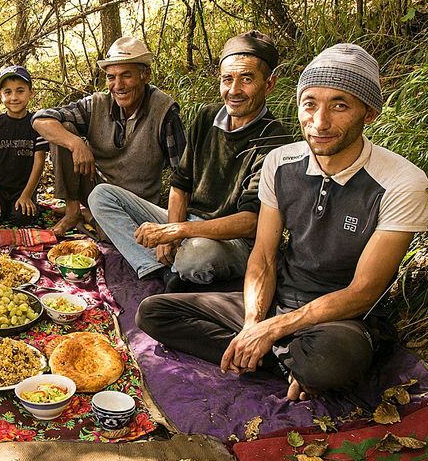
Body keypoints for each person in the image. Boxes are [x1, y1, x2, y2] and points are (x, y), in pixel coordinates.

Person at [137, 44, 428, 401]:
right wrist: (252, 324)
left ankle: (284, 360)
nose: (320, 122)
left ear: (368, 113)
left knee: (331, 361)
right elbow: (262, 256)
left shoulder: (402, 182)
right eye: (310, 104)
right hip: (280, 298)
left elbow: (363, 292)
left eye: (340, 105)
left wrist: (273, 330)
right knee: (154, 312)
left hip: (340, 319)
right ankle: (287, 363)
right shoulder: (282, 162)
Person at [89, 31, 292, 289]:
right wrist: (171, 232)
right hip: (188, 223)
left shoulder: (273, 140)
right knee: (102, 196)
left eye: (247, 79)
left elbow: (251, 222)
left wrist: (178, 232)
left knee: (196, 258)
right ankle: (160, 271)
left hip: (232, 241)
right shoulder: (207, 117)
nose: (234, 90)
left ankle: (175, 269)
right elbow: (180, 184)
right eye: (227, 79)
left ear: (269, 84)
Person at [32, 36, 187, 237]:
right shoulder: (97, 103)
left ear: (145, 75)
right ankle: (73, 212)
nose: (118, 85)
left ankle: (89, 216)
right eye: (111, 77)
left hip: (135, 201)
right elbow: (40, 119)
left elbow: (183, 175)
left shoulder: (164, 112)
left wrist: (175, 229)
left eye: (126, 76)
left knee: (112, 235)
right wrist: (75, 143)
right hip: (95, 188)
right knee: (64, 127)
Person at [0, 65, 49, 226]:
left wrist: (27, 195)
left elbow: (39, 162)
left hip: (23, 189)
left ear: (31, 93)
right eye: (8, 92)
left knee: (22, 218)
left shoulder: (37, 124)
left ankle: (32, 204)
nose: (14, 97)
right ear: (0, 95)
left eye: (20, 91)